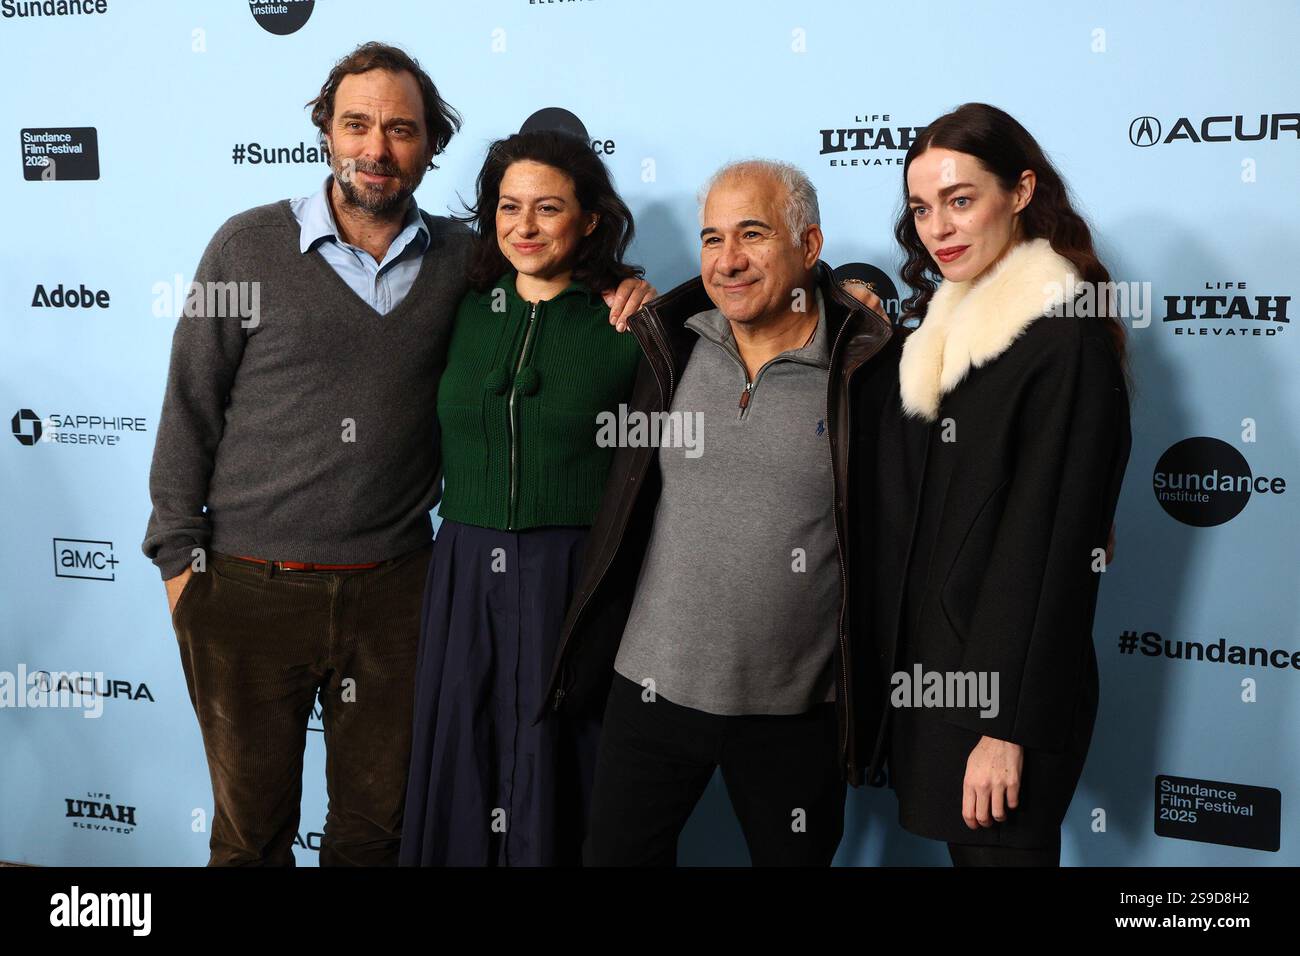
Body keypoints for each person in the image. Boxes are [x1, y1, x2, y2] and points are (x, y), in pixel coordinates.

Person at [142, 42, 651, 866]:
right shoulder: (246, 248)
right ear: (327, 134)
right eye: (358, 125)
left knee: (375, 835)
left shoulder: (466, 258)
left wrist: (630, 289)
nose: (377, 147)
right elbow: (188, 409)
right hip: (246, 591)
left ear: (428, 145)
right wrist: (178, 565)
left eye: (401, 129)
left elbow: (552, 289)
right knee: (248, 837)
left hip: (399, 596)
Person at [543, 159, 900, 866]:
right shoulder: (668, 343)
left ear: (810, 245)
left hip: (795, 708)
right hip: (650, 687)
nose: (728, 260)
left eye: (753, 234)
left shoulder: (867, 370)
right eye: (711, 238)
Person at [866, 102, 1132, 867]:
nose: (938, 228)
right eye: (922, 208)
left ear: (1019, 192)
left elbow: (1053, 552)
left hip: (999, 703)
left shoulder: (1063, 338)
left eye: (961, 200)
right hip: (942, 684)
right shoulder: (948, 337)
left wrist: (1004, 727)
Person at [399, 130, 650, 866]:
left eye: (548, 208)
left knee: (557, 764)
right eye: (509, 207)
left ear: (591, 219)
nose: (525, 226)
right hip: (464, 569)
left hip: (571, 577)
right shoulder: (460, 301)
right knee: (465, 756)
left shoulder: (629, 322)